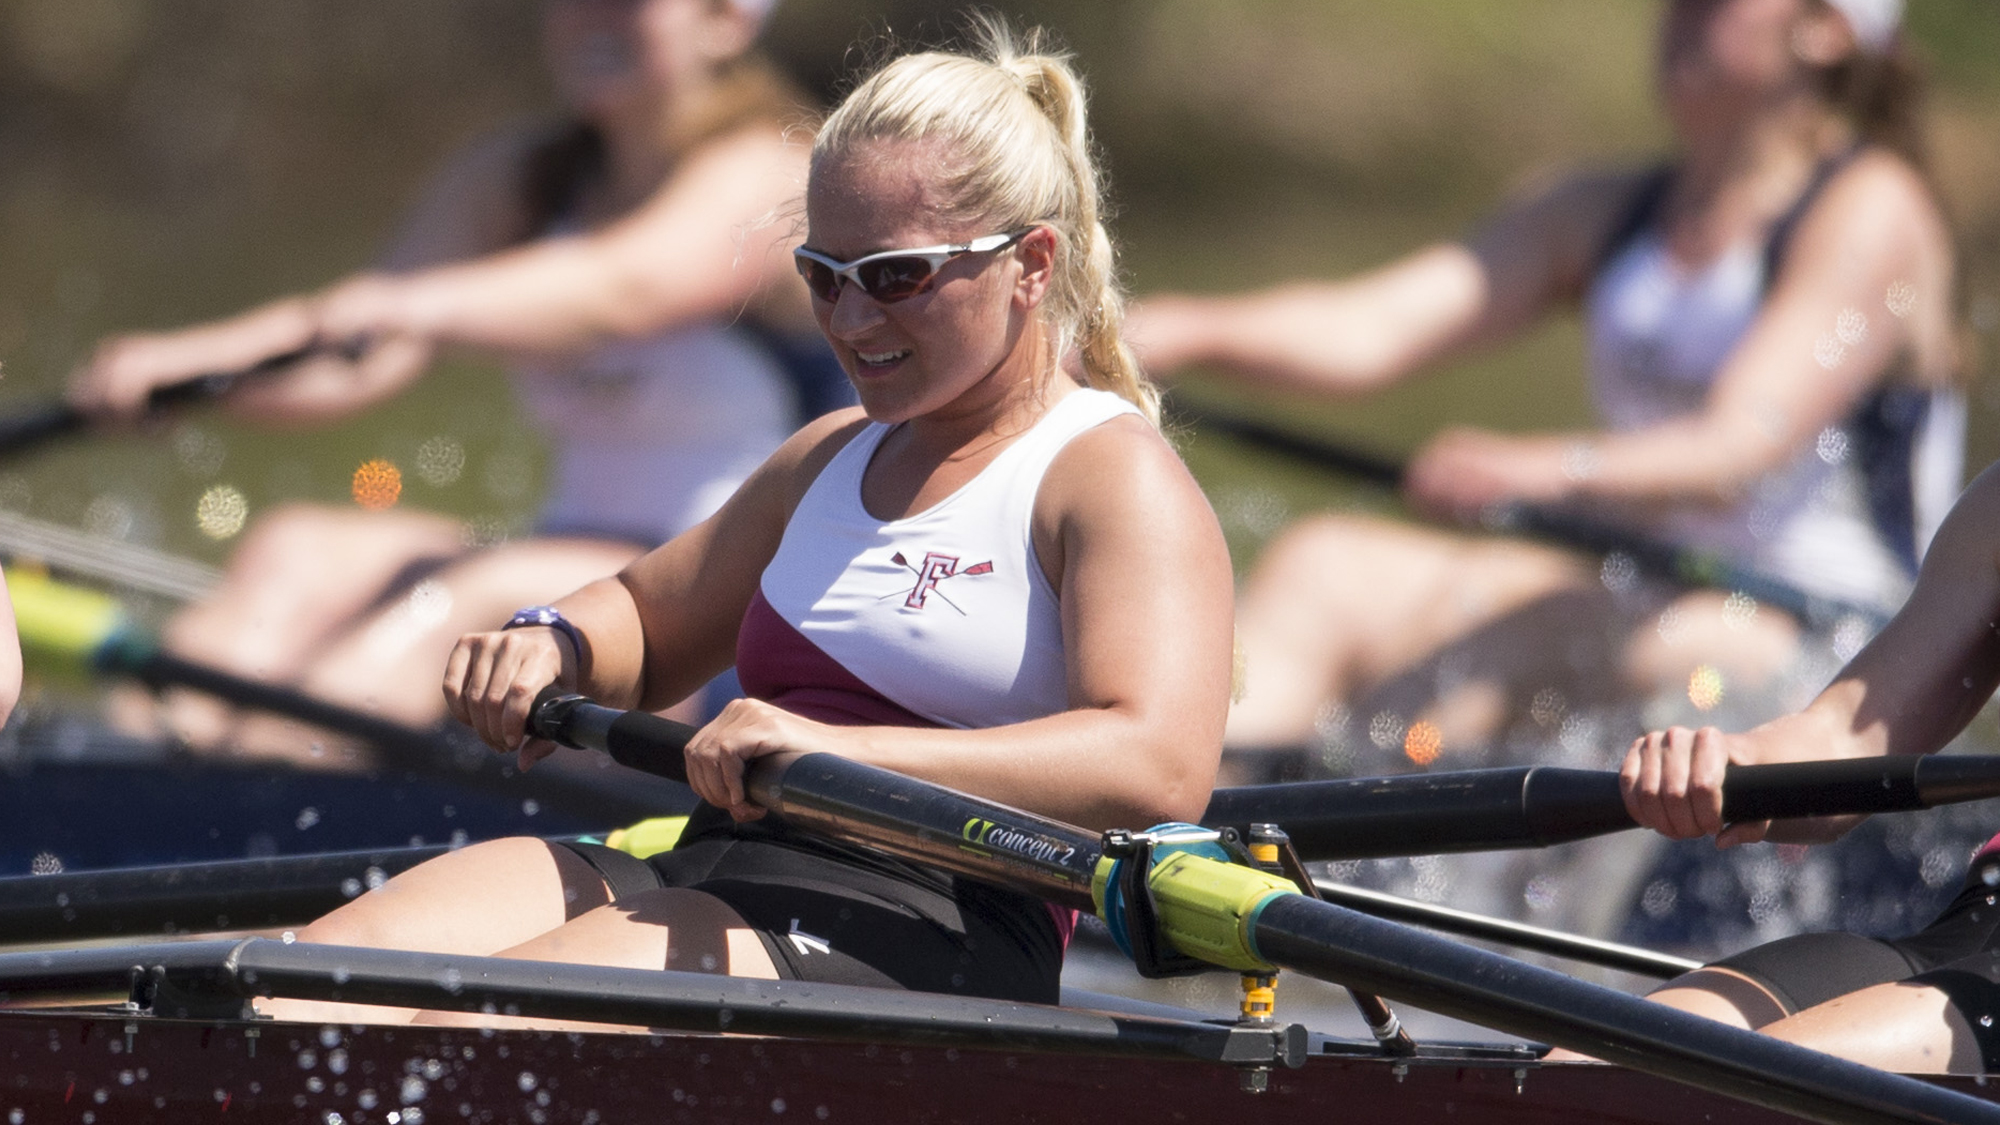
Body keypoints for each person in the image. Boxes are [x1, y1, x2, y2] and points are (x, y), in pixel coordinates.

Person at [256, 23, 1234, 1026]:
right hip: (714, 867)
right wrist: (552, 640)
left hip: (931, 929)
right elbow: (643, 619)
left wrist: (840, 753)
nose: (851, 321)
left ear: (1030, 263)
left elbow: (1154, 767)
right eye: (823, 275)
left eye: (895, 277)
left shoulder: (1109, 477)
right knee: (284, 993)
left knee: (480, 1022)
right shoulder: (822, 458)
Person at [1127, 0, 1960, 774]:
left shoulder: (1873, 209)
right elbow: (1369, 328)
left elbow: (1742, 444)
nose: (1677, 13)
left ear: (1823, 31)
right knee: (1323, 565)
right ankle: (1193, 814)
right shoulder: (1606, 208)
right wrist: (1172, 330)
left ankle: (1330, 852)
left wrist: (1541, 469)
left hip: (1832, 642)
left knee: (1506, 645)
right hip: (1644, 586)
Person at [66, 0, 833, 758]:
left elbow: (619, 289)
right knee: (293, 546)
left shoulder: (771, 170)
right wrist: (182, 371)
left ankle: (263, 781)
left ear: (726, 21)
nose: (592, 18)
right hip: (567, 550)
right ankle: (133, 764)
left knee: (463, 600)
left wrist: (413, 305)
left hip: (718, 604)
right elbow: (357, 353)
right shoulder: (523, 175)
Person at [1571, 457, 2000, 1075]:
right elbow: (1848, 737)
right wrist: (1734, 762)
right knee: (1577, 1074)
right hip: (1974, 926)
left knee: (1718, 1085)